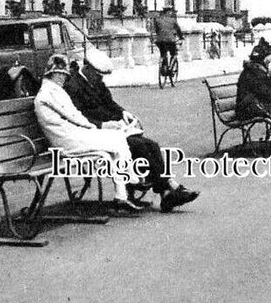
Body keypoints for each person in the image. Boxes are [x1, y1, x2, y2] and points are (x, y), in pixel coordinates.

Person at [64, 49, 199, 212]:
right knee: (140, 147)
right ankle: (170, 189)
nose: (101, 79)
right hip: (96, 133)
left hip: (114, 130)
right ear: (88, 69)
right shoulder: (73, 86)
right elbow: (77, 116)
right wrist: (102, 125)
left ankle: (167, 191)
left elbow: (110, 103)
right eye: (99, 76)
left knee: (153, 145)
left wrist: (123, 113)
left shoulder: (97, 82)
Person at [34, 54, 144, 211]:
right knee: (116, 139)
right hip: (64, 141)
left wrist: (94, 128)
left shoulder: (55, 90)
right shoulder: (48, 93)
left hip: (70, 135)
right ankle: (132, 179)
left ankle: (122, 195)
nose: (62, 77)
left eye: (63, 74)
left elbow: (74, 115)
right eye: (58, 74)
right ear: (50, 74)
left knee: (115, 144)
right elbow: (73, 116)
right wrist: (95, 128)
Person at [154, 6, 183, 71]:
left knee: (163, 53)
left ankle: (163, 66)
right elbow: (178, 30)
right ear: (168, 12)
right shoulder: (173, 20)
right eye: (171, 11)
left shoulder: (158, 20)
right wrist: (181, 37)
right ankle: (170, 68)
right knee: (174, 53)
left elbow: (157, 30)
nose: (171, 13)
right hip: (170, 40)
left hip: (159, 40)